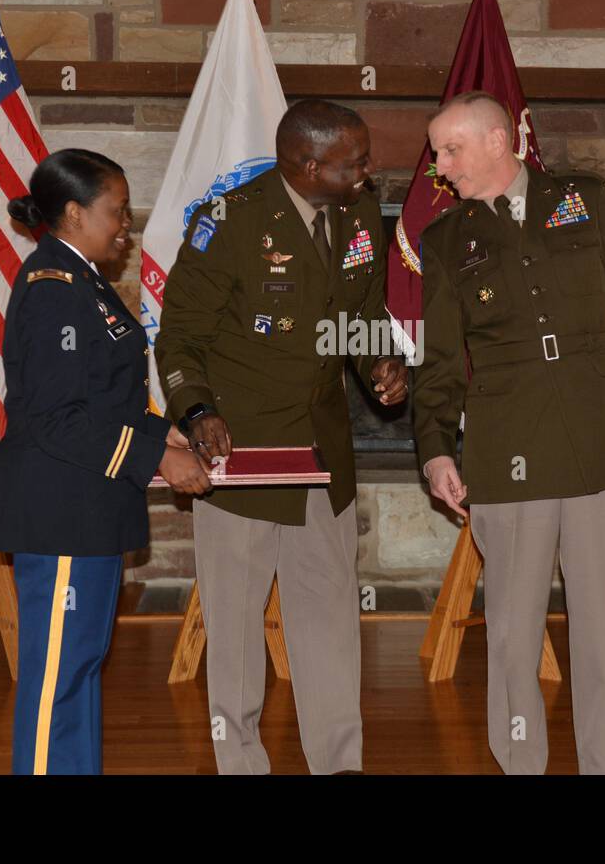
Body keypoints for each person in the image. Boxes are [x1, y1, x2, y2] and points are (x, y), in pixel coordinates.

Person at [413, 90, 605, 775]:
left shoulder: (583, 198)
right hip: (509, 444)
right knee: (512, 631)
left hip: (603, 437)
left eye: (450, 149)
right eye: (437, 153)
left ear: (498, 141)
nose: (439, 167)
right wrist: (437, 449)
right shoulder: (443, 239)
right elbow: (438, 359)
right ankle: (520, 764)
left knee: (603, 628)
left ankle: (600, 764)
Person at [155, 99, 408, 775]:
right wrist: (195, 409)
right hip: (242, 455)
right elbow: (179, 334)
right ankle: (241, 764)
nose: (369, 170)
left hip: (322, 453)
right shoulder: (230, 221)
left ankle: (339, 764)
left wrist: (380, 360)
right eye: (354, 161)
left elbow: (360, 311)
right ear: (307, 164)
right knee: (235, 632)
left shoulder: (357, 211)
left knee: (328, 621)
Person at [0, 148, 211, 775]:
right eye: (118, 212)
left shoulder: (84, 281)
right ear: (76, 213)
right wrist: (155, 460)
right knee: (55, 677)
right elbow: (56, 418)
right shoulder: (54, 290)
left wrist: (168, 435)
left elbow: (105, 399)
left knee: (79, 667)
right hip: (60, 513)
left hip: (87, 508)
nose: (126, 225)